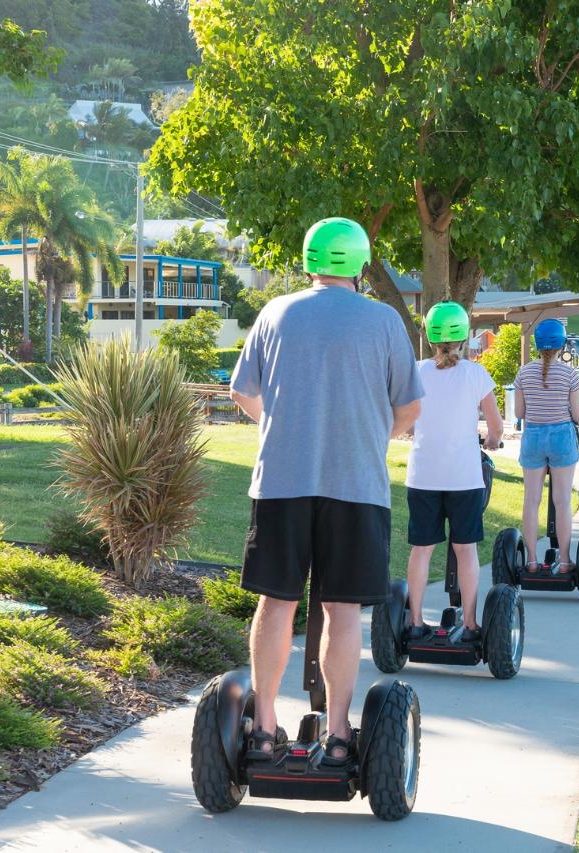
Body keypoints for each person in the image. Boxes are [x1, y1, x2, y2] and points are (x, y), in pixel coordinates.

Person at [229, 217, 423, 767]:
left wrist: (283, 425)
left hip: (282, 484)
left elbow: (243, 393)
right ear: (361, 264)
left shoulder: (276, 313)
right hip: (355, 486)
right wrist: (367, 434)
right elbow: (408, 408)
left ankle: (264, 728)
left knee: (277, 602)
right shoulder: (384, 321)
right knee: (340, 610)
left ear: (310, 260)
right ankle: (338, 736)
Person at [404, 302, 503, 643]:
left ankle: (415, 622)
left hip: (423, 477)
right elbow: (496, 427)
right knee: (465, 550)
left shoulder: (416, 372)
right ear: (464, 335)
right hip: (463, 478)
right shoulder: (476, 374)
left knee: (422, 549)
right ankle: (471, 624)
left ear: (429, 336)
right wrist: (492, 441)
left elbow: (407, 422)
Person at [514, 318, 579, 572]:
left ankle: (531, 560)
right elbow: (577, 416)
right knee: (562, 501)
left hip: (533, 436)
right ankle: (564, 561)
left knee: (531, 500)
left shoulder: (524, 373)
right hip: (561, 437)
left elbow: (519, 412)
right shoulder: (570, 374)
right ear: (562, 344)